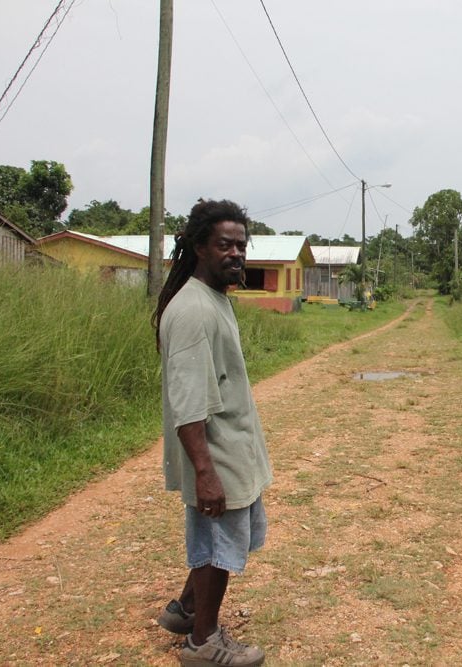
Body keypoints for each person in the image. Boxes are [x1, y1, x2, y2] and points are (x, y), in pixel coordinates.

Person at [152, 199, 272, 667]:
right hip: (215, 453)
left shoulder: (214, 298)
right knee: (219, 546)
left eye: (241, 245)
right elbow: (187, 403)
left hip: (232, 448)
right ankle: (204, 641)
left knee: (219, 539)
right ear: (199, 247)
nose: (236, 253)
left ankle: (185, 610)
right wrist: (205, 471)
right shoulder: (193, 311)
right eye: (225, 244)